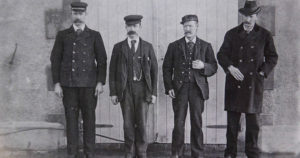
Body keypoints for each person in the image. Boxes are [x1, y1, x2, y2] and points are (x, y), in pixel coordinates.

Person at [217, 1, 278, 158]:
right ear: (242, 16)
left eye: (251, 16)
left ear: (256, 16)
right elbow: (221, 55)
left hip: (253, 84)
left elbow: (272, 57)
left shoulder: (265, 35)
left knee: (253, 124)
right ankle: (230, 153)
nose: (248, 19)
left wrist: (262, 73)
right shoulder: (231, 34)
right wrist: (230, 67)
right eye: (245, 16)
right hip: (234, 83)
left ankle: (252, 154)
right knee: (232, 125)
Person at [50, 2, 107, 158]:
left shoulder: (95, 35)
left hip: (89, 86)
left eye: (81, 13)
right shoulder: (63, 35)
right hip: (69, 86)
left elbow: (102, 61)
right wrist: (56, 83)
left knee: (89, 122)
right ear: (71, 14)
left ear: (85, 15)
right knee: (71, 123)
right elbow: (55, 60)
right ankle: (72, 154)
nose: (78, 16)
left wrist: (100, 82)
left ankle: (90, 154)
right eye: (75, 13)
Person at [162, 14, 218, 158]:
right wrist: (169, 87)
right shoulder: (174, 46)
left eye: (190, 26)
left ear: (197, 26)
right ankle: (176, 154)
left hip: (197, 90)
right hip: (179, 90)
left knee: (197, 123)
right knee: (178, 124)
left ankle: (197, 154)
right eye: (185, 26)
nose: (187, 29)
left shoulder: (206, 46)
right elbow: (166, 68)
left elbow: (214, 67)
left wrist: (203, 65)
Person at [109, 15, 158, 158]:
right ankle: (129, 152)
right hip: (125, 91)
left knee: (142, 123)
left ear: (140, 27)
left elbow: (155, 71)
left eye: (135, 26)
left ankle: (142, 152)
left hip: (143, 90)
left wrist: (154, 93)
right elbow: (112, 71)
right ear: (125, 27)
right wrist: (113, 92)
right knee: (128, 124)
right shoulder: (118, 47)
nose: (132, 29)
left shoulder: (147, 47)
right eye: (129, 26)